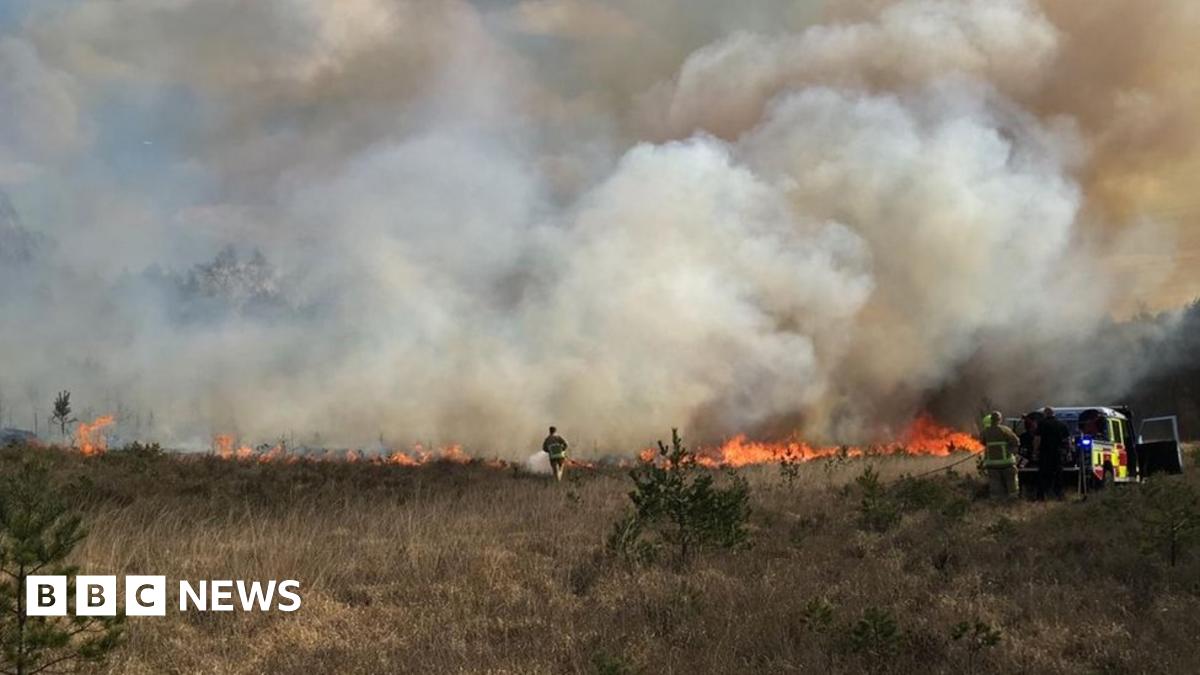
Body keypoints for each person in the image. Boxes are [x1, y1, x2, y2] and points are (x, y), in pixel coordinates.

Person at [979, 411, 1020, 498]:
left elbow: (982, 443)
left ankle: (996, 504)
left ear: (991, 420)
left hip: (992, 463)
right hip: (1006, 462)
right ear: (999, 420)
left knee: (995, 485)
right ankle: (1013, 502)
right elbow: (1016, 441)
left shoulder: (985, 432)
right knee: (1011, 483)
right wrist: (1011, 450)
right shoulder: (1005, 430)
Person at [1033, 407, 1069, 501]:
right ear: (1054, 414)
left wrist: (1035, 451)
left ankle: (1041, 496)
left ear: (1045, 414)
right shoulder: (1062, 424)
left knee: (1043, 474)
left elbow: (1037, 439)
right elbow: (1067, 440)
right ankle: (1059, 495)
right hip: (1058, 453)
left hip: (1045, 453)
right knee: (1058, 474)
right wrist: (1067, 451)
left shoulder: (1042, 424)